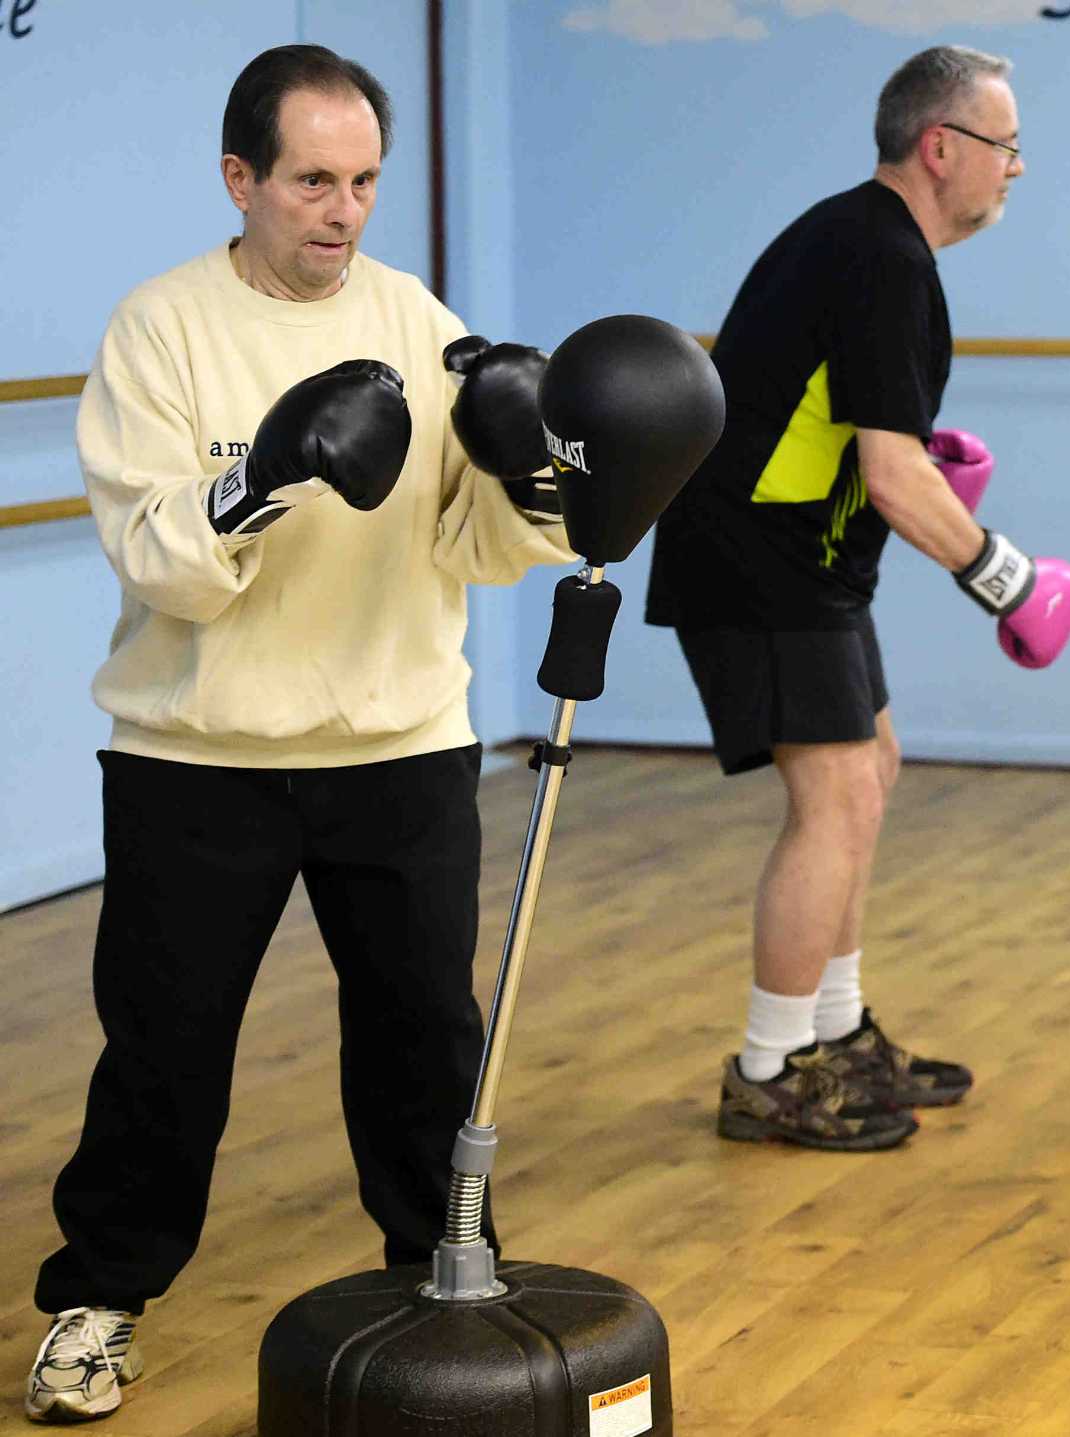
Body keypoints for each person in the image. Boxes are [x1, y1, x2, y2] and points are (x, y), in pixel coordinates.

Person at [25, 45, 575, 1422]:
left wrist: (526, 467)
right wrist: (268, 477)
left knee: (424, 1039)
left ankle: (447, 1272)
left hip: (397, 744)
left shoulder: (416, 319)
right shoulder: (162, 330)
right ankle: (99, 1297)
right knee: (163, 1048)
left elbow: (481, 545)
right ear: (242, 178)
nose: (344, 211)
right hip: (197, 757)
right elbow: (156, 562)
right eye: (315, 181)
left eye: (365, 182)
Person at [644, 45, 1070, 1152]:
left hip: (804, 559)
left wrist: (932, 469)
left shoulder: (868, 243)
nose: (1015, 169)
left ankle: (832, 1034)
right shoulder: (878, 256)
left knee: (868, 776)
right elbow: (892, 481)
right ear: (942, 148)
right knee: (832, 801)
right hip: (759, 559)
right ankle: (771, 1065)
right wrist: (1005, 577)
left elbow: (863, 437)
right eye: (1005, 146)